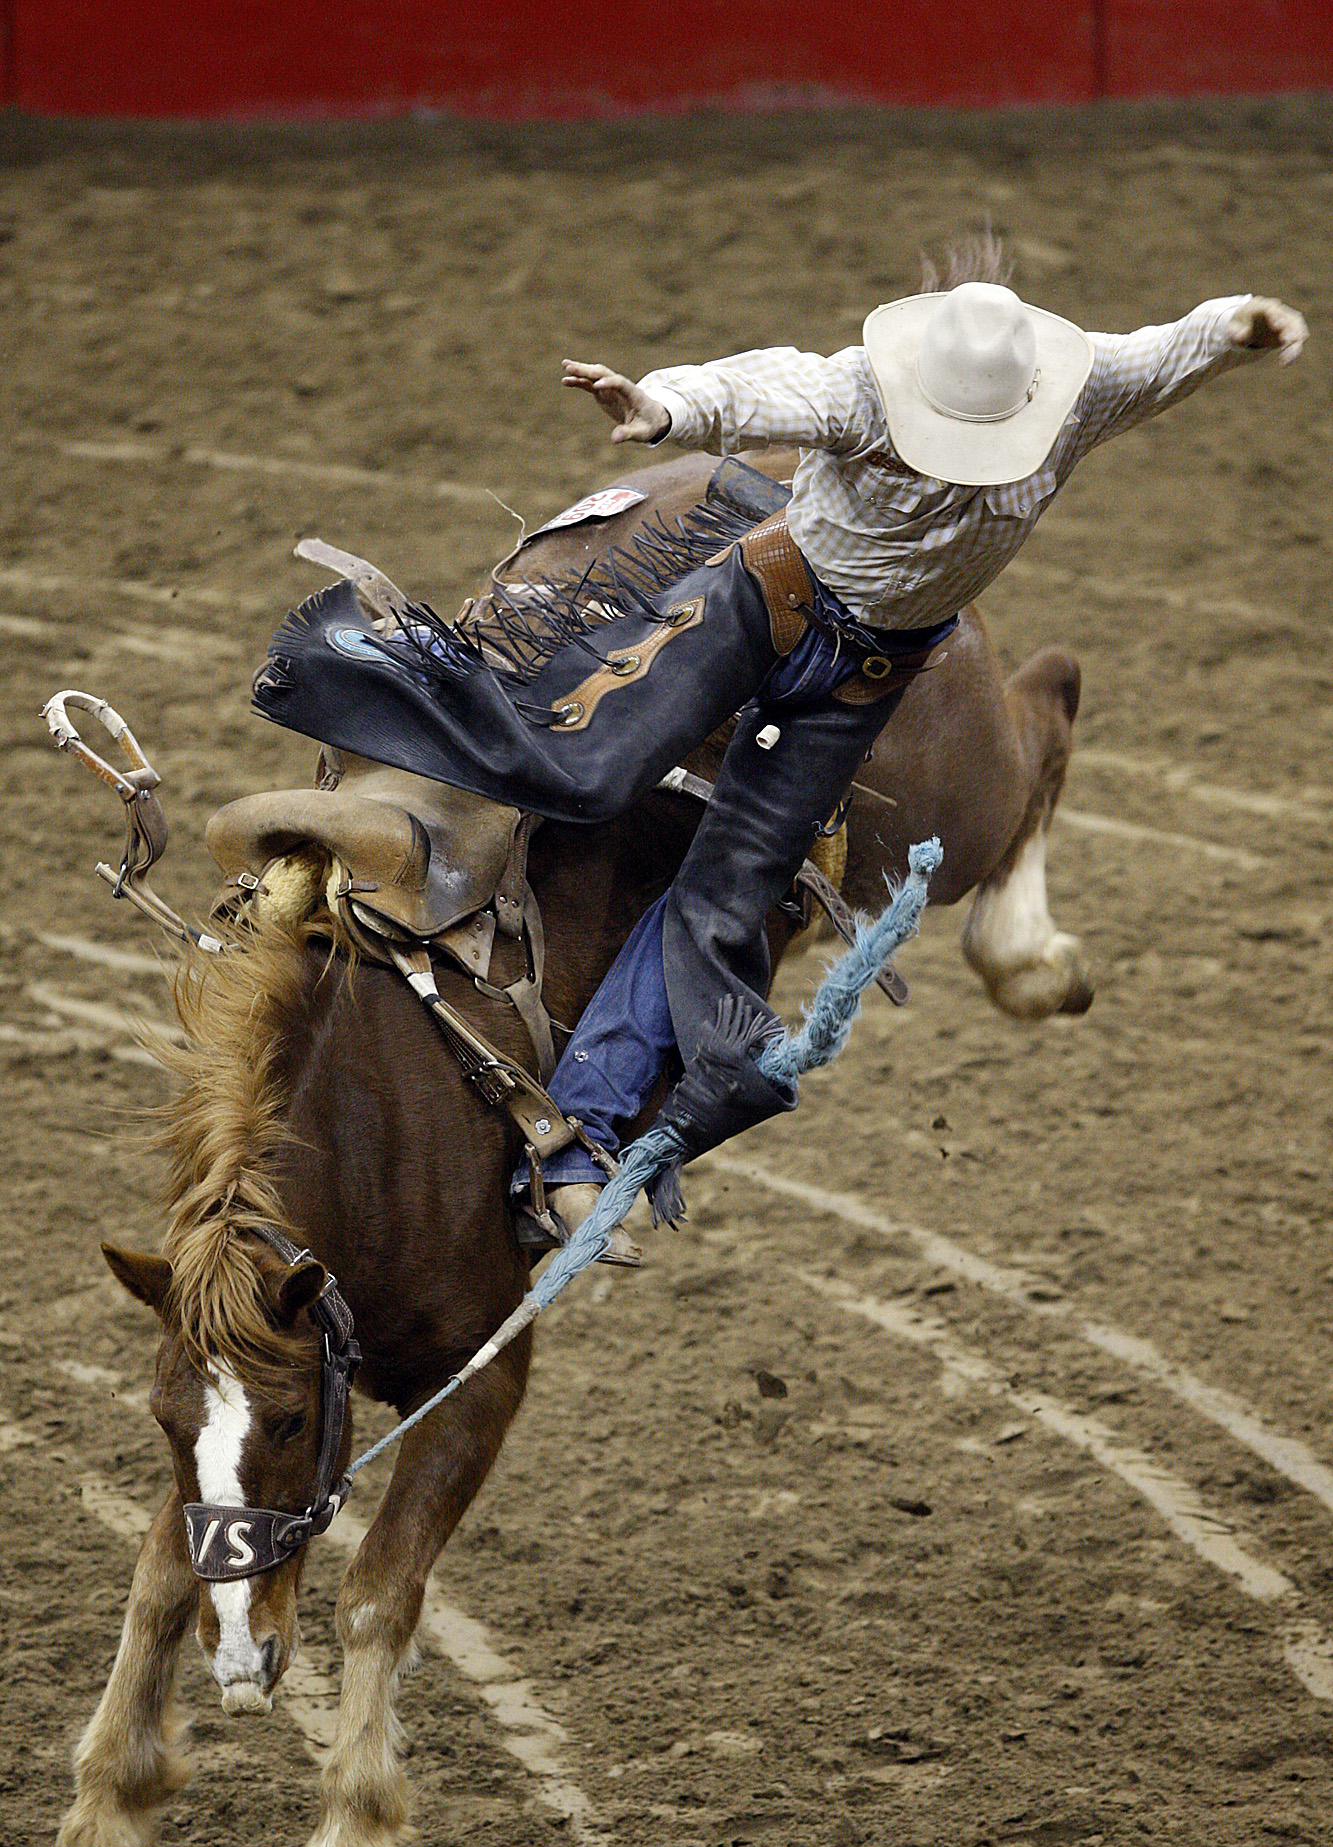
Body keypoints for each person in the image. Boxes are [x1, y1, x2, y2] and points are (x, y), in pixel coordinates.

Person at [253, 274, 1306, 1263]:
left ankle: (579, 1144)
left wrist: (1242, 328)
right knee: (587, 772)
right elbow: (758, 382)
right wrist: (659, 406)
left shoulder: (1081, 398)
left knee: (724, 903)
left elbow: (1170, 351)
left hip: (854, 684)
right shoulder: (864, 391)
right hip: (759, 601)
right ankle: (371, 694)